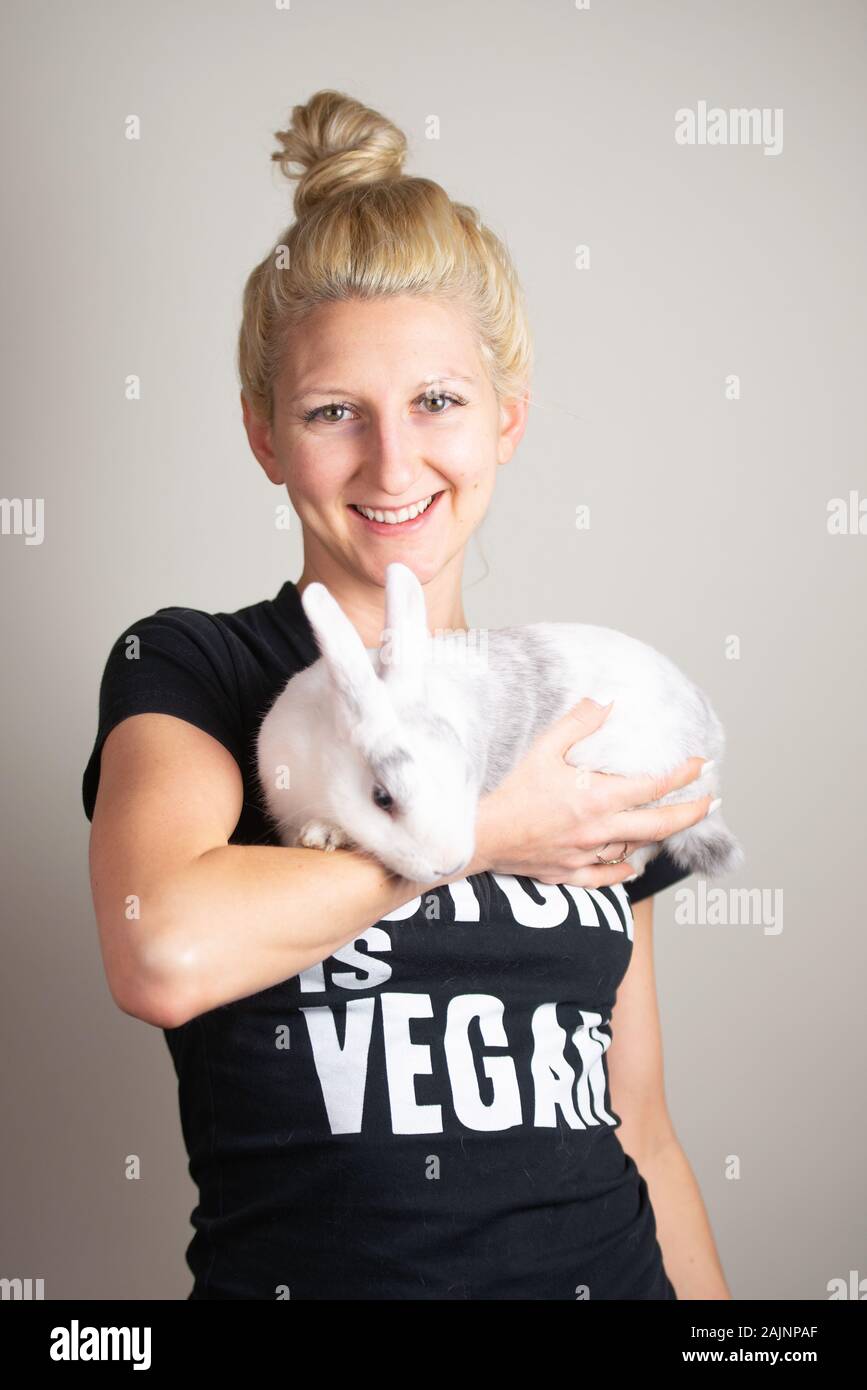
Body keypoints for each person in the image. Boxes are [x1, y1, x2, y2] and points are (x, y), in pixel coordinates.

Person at [82, 89, 731, 1301]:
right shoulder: (195, 670)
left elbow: (640, 1125)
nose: (393, 463)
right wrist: (482, 834)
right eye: (336, 414)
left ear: (506, 419)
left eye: (438, 401)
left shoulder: (577, 710)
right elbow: (161, 948)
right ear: (265, 437)